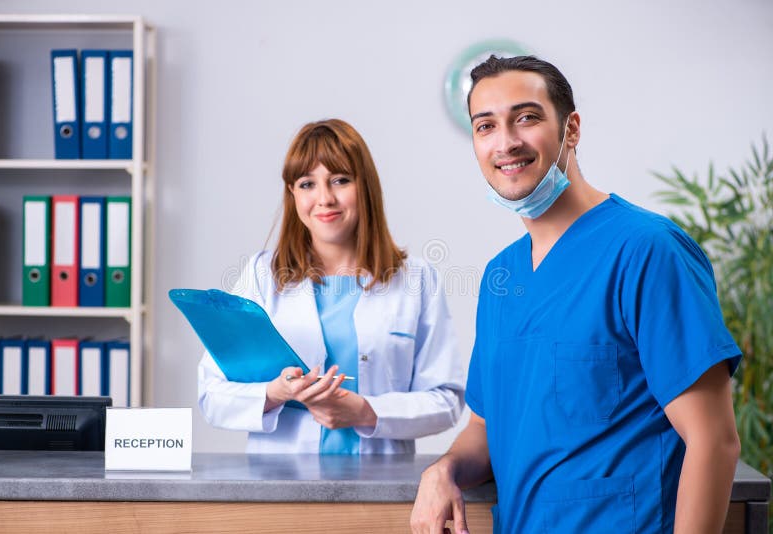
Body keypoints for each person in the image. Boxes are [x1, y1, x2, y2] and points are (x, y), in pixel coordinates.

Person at [411, 56, 742, 533]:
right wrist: (442, 471)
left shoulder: (647, 251)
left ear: (571, 130)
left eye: (526, 117)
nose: (506, 142)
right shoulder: (500, 276)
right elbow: (487, 428)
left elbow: (713, 440)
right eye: (486, 126)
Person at [198, 118, 466, 454]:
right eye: (307, 184)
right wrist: (275, 392)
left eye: (340, 180)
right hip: (281, 487)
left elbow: (446, 401)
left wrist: (367, 412)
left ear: (364, 186)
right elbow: (212, 394)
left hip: (378, 489)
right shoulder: (261, 274)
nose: (324, 198)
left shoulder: (415, 278)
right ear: (292, 194)